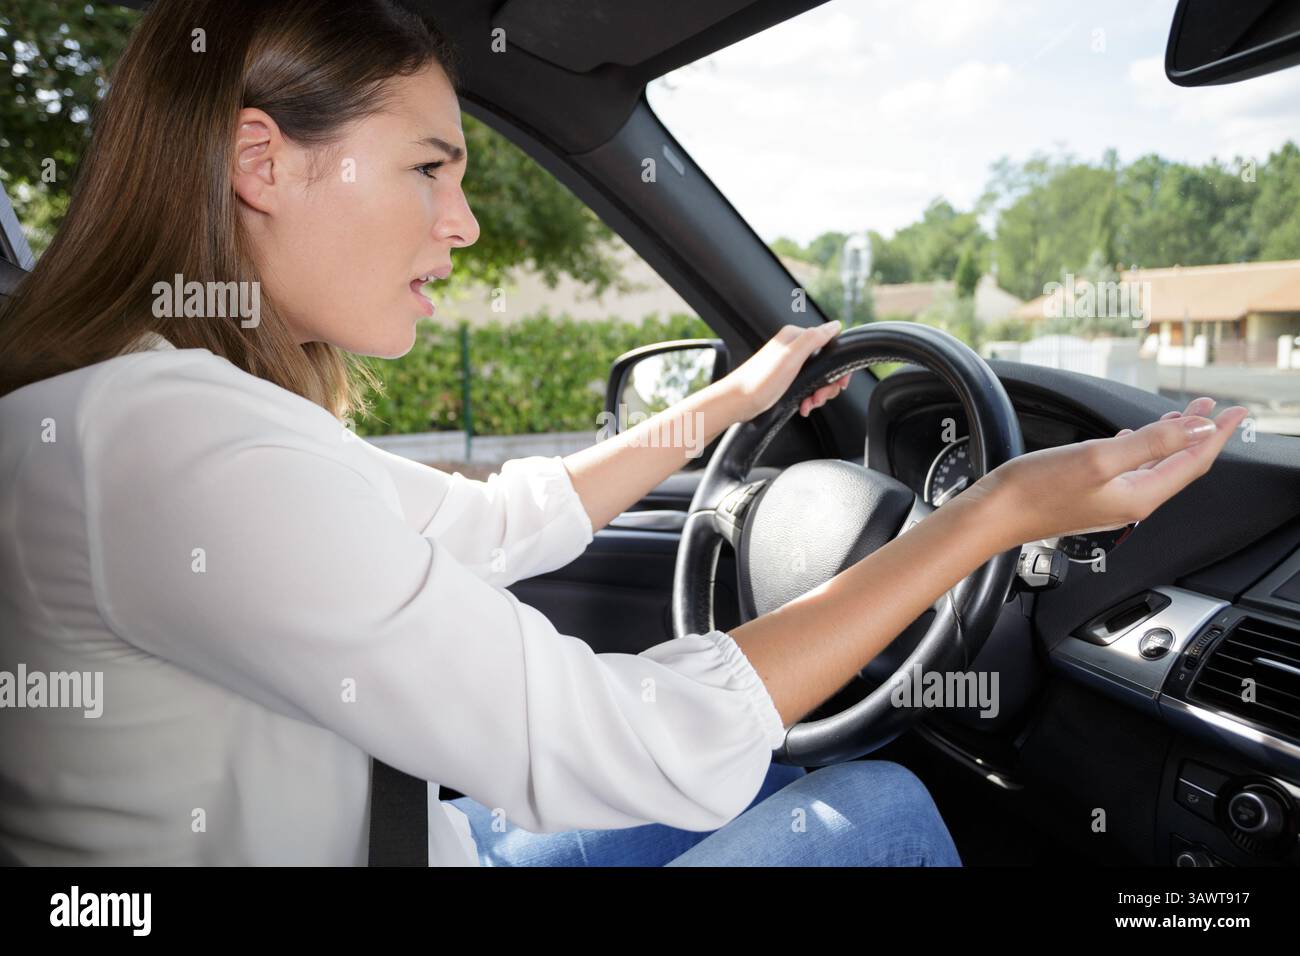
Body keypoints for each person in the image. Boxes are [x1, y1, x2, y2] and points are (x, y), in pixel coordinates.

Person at [0, 0, 1246, 867]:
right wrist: (989, 515)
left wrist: (726, 404)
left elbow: (490, 524)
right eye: (430, 169)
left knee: (771, 774)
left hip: (413, 839)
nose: (465, 223)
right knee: (873, 804)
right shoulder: (178, 449)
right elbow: (630, 741)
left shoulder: (151, 408)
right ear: (261, 163)